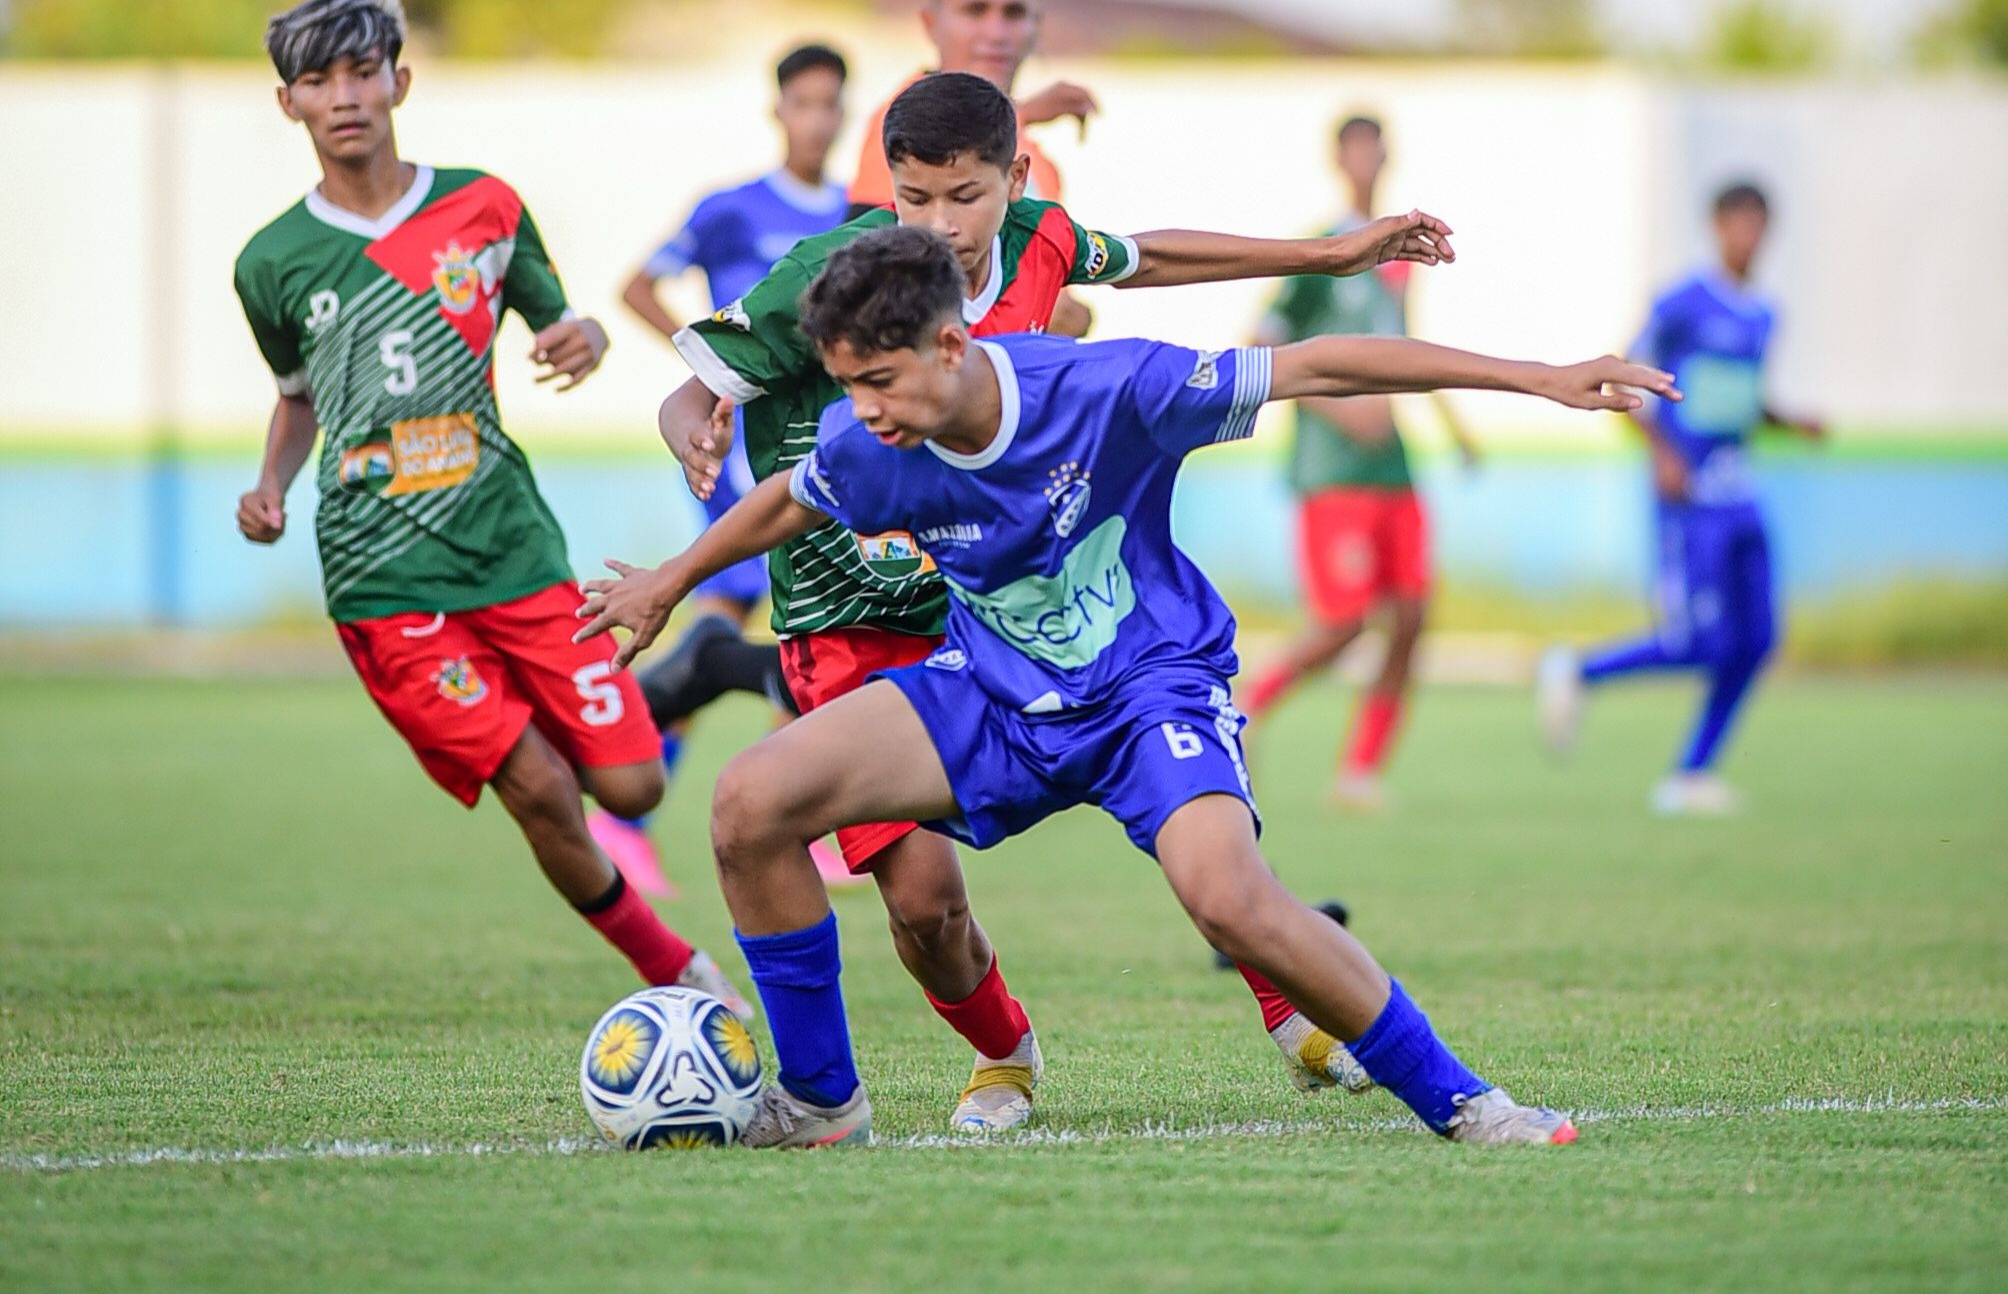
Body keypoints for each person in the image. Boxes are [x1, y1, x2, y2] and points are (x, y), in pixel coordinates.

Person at [578, 224, 1680, 1146]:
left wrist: (1535, 377)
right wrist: (672, 579)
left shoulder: (1111, 387)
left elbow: (1321, 365)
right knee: (749, 802)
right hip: (993, 692)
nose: (861, 408)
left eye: (878, 380)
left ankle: (1468, 1104)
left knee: (1229, 899)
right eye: (845, 382)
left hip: (1149, 688)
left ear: (953, 343)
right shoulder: (866, 437)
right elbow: (791, 494)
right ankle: (824, 1103)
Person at [651, 70, 1459, 1132]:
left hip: (988, 598)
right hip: (853, 623)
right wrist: (693, 433)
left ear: (1012, 178)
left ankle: (1297, 1009)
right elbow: (697, 389)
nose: (942, 226)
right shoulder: (840, 278)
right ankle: (1001, 1051)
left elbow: (1150, 257)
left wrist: (1327, 253)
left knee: (1179, 795)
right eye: (916, 198)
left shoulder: (1040, 239)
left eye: (964, 196)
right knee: (923, 905)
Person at [230, 0, 747, 1017]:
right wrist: (269, 484)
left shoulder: (486, 208)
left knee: (635, 784)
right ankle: (678, 972)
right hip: (385, 580)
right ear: (289, 103)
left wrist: (586, 339)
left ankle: (674, 677)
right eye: (318, 79)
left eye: (361, 71)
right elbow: (298, 398)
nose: (344, 96)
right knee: (541, 787)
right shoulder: (271, 262)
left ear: (399, 80)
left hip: (512, 549)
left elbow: (568, 325)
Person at [596, 43, 858, 896]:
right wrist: (706, 371)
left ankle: (801, 815)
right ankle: (626, 816)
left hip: (824, 446)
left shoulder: (858, 212)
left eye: (830, 103)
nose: (817, 119)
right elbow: (638, 286)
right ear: (777, 110)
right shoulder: (732, 209)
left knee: (769, 623)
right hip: (742, 448)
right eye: (803, 102)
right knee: (748, 616)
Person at [1537, 182, 1822, 816]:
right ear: (1717, 227)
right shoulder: (1681, 303)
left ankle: (1693, 773)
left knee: (1757, 640)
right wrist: (1662, 453)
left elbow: (1739, 399)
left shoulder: (1763, 314)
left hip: (1739, 492)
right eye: (1739, 223)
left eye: (1759, 225)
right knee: (1694, 638)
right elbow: (1623, 371)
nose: (1749, 237)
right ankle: (1579, 671)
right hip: (1690, 496)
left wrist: (1789, 421)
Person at [1238, 115, 1481, 809]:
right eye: (1356, 149)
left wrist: (1452, 424)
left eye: (1376, 148)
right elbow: (1260, 345)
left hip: (1392, 467)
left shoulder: (1397, 260)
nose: (1367, 160)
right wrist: (1340, 408)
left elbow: (1406, 349)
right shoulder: (1322, 252)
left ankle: (1360, 771)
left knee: (1411, 617)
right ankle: (1247, 705)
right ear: (1338, 159)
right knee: (1344, 622)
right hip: (1332, 470)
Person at [847, 0, 1097, 337]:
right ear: (931, 23)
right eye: (975, 10)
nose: (996, 32)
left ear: (1037, 25)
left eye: (1014, 13)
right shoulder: (903, 124)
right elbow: (867, 287)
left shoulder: (1033, 157)